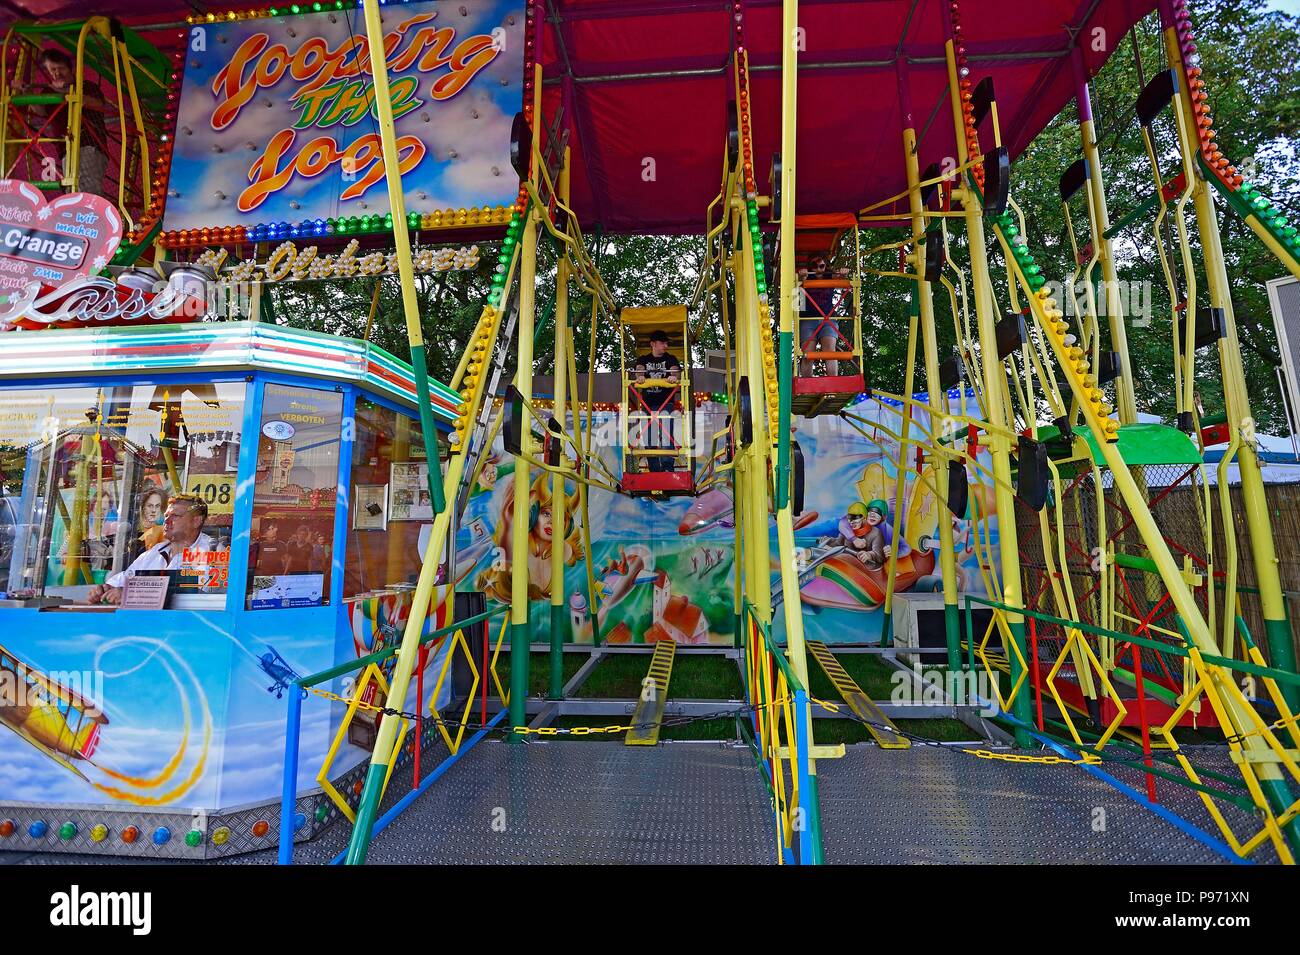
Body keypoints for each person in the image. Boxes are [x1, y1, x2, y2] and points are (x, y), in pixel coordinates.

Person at [14, 49, 110, 198]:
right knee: (71, 189)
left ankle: (92, 216)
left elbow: (97, 103)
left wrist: (65, 91)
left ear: (70, 69)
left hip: (89, 145)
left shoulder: (85, 86)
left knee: (87, 187)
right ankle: (77, 216)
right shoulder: (48, 91)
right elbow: (41, 111)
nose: (57, 73)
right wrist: (25, 91)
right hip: (66, 148)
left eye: (61, 69)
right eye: (53, 69)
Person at [86, 494, 213, 605]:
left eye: (175, 516)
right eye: (166, 516)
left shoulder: (211, 551)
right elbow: (126, 578)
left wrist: (132, 594)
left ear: (196, 521)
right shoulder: (155, 552)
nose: (167, 521)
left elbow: (200, 594)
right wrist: (106, 589)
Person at [631, 329, 682, 473]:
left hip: (666, 403)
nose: (665, 345)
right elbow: (639, 369)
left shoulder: (670, 358)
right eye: (662, 342)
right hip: (648, 404)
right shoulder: (643, 359)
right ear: (653, 344)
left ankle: (667, 469)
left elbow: (675, 370)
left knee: (666, 434)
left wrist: (673, 376)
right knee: (649, 437)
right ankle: (655, 470)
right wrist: (640, 376)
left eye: (666, 343)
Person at [798, 255, 846, 377]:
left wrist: (843, 272)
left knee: (830, 352)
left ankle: (833, 382)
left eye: (821, 266)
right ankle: (807, 384)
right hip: (808, 320)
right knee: (808, 354)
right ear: (810, 268)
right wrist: (801, 277)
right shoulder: (806, 277)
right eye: (814, 266)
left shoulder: (829, 276)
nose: (818, 269)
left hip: (828, 319)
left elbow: (840, 277)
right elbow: (796, 290)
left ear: (825, 267)